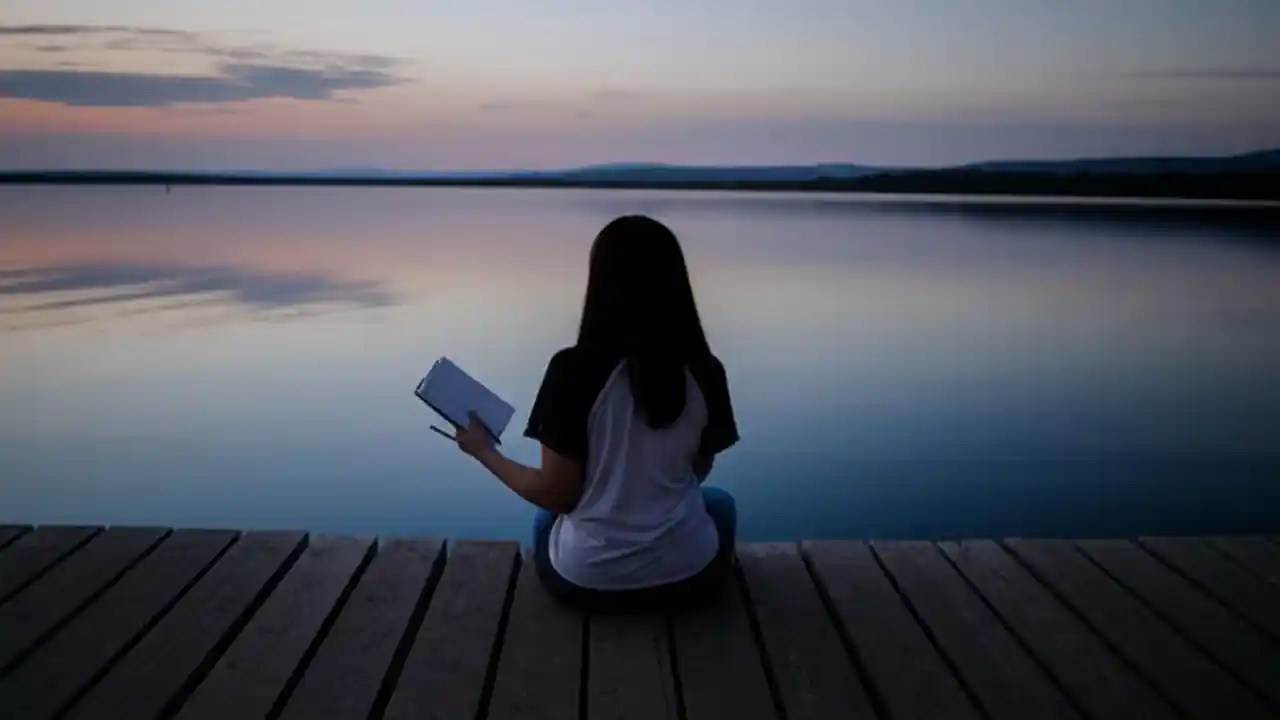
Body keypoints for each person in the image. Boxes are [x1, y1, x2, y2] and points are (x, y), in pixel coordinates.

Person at [451, 214, 739, 609]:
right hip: (690, 578)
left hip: (589, 584)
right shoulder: (706, 370)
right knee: (719, 503)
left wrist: (484, 451)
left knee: (544, 520)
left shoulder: (573, 371)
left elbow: (557, 495)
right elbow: (699, 470)